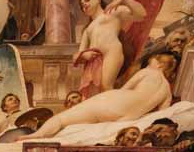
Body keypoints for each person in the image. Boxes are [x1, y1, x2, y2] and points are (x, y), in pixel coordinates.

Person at [32, 46, 181, 140]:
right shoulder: (166, 89)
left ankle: (36, 135)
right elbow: (162, 116)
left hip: (115, 102)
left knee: (63, 118)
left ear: (160, 64)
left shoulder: (148, 72)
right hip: (127, 116)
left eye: (151, 62)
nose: (149, 64)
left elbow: (125, 89)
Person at [71, 0, 147, 98]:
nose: (85, 5)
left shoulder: (112, 12)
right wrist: (84, 55)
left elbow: (142, 14)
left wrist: (124, 0)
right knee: (94, 94)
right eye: (82, 5)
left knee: (106, 86)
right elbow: (77, 55)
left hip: (111, 52)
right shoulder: (87, 29)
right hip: (94, 61)